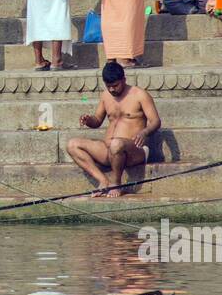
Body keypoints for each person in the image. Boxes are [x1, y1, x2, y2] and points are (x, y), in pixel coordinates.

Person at [66, 60, 161, 195]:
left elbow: (155, 121)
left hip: (133, 150)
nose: (112, 89)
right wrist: (89, 120)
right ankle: (103, 180)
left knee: (116, 144)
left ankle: (116, 183)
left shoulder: (140, 95)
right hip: (109, 150)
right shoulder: (106, 95)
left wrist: (144, 132)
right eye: (108, 86)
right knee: (72, 144)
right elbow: (98, 120)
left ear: (124, 80)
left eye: (115, 85)